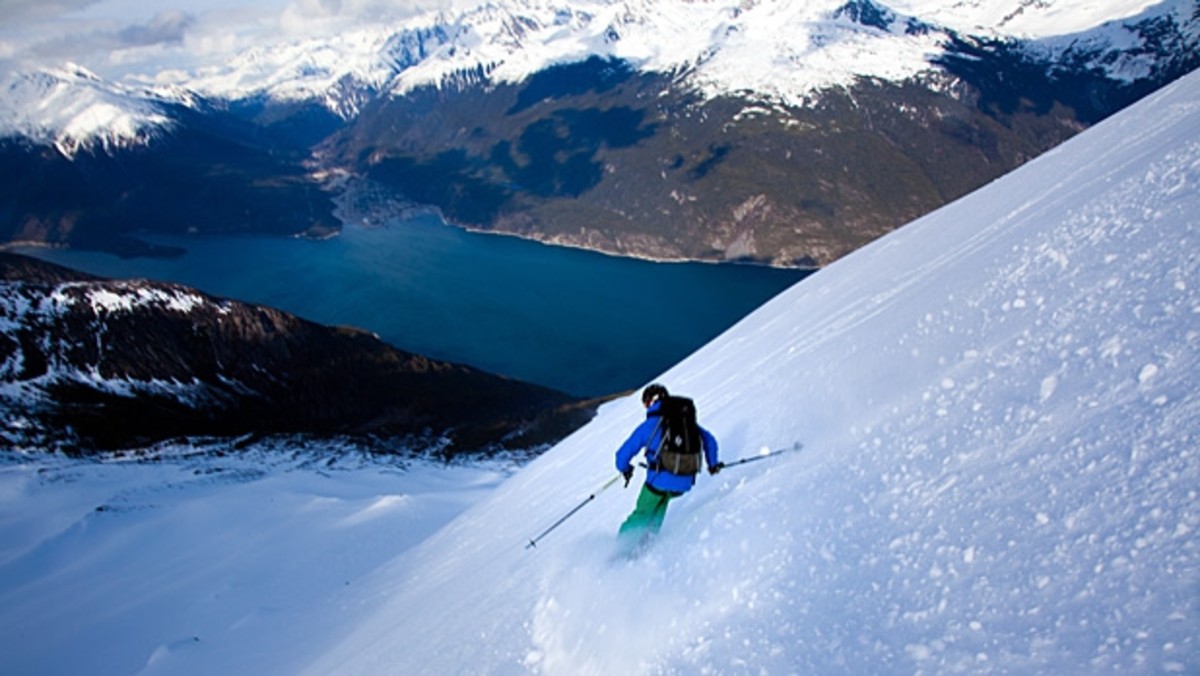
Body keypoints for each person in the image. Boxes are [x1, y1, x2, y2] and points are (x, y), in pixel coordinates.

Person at [614, 383, 720, 552]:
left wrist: (625, 469)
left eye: (645, 403)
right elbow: (710, 441)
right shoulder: (684, 421)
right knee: (661, 503)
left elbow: (621, 457)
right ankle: (646, 546)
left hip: (659, 479)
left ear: (650, 402)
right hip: (685, 480)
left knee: (642, 513)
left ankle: (618, 552)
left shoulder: (650, 425)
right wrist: (713, 465)